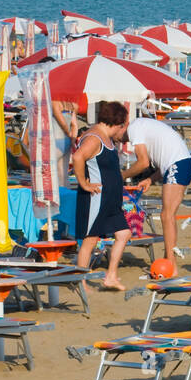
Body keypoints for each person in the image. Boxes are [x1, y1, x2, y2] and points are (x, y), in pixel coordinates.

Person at [121, 107, 191, 270]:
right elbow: (164, 158)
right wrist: (150, 179)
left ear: (120, 126)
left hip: (178, 164)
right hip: (181, 163)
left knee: (166, 215)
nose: (119, 141)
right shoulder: (144, 125)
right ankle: (169, 258)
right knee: (169, 215)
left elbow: (143, 162)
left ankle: (170, 264)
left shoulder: (134, 128)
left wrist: (121, 176)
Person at [70, 99, 132, 291]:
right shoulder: (94, 137)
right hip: (96, 198)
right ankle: (81, 282)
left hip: (111, 199)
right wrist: (83, 182)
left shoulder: (106, 137)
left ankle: (111, 276)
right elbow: (78, 156)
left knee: (124, 233)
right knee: (90, 240)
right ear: (117, 123)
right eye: (122, 125)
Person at [51, 99, 79, 187]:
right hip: (67, 142)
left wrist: (68, 133)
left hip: (56, 141)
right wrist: (72, 139)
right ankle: (65, 198)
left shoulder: (55, 102)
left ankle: (53, 197)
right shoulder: (72, 104)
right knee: (63, 175)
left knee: (50, 172)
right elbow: (74, 125)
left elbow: (62, 122)